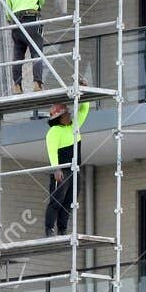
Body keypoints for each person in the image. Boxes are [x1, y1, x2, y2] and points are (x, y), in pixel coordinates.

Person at [43, 96, 90, 236]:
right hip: (62, 171)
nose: (70, 114)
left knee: (70, 202)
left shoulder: (74, 126)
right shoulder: (54, 132)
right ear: (60, 116)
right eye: (67, 113)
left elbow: (84, 109)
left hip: (75, 170)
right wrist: (56, 168)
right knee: (56, 201)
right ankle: (49, 228)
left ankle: (62, 229)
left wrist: (84, 92)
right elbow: (52, 151)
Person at [5, 0, 46, 94]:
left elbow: (7, 13)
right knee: (36, 53)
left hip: (16, 24)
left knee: (17, 56)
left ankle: (17, 86)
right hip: (32, 20)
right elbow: (42, 2)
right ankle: (37, 84)